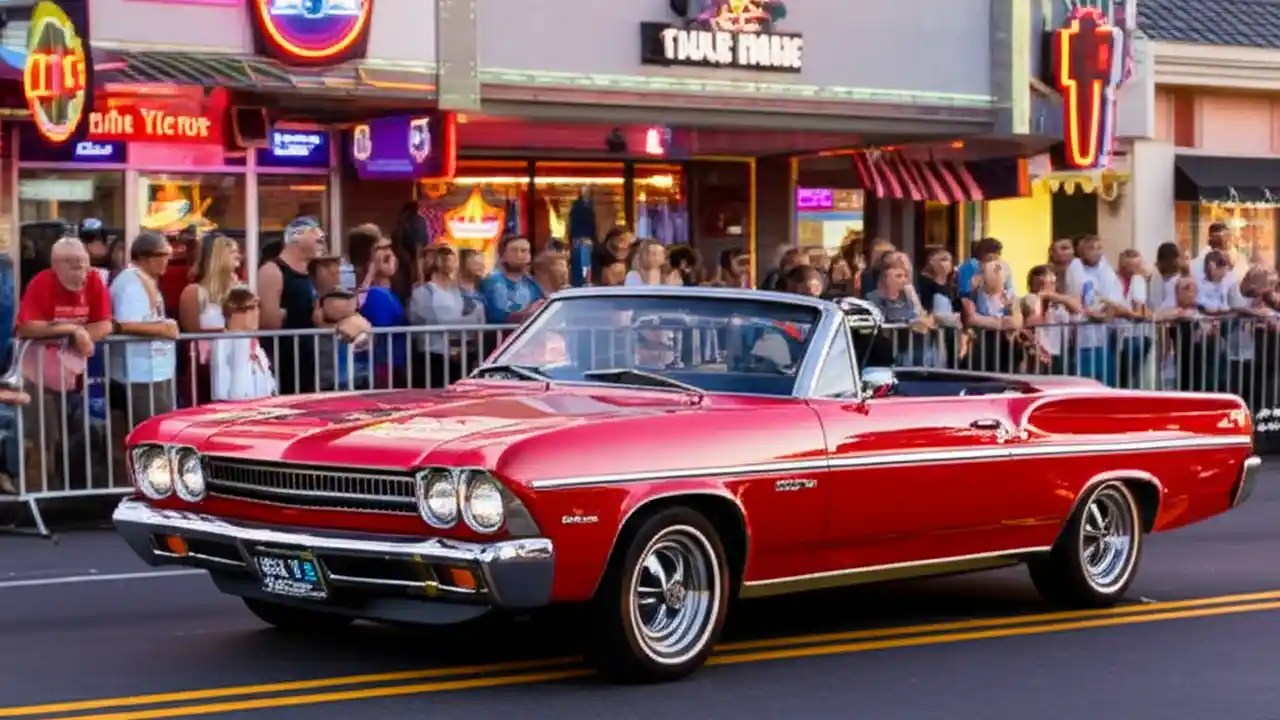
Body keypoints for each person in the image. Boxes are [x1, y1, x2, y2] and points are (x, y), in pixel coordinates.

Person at [257, 216, 324, 394]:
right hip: (282, 359)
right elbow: (268, 321)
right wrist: (290, 314)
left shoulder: (310, 273)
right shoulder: (272, 271)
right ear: (296, 237)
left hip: (307, 358)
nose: (321, 237)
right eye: (314, 233)